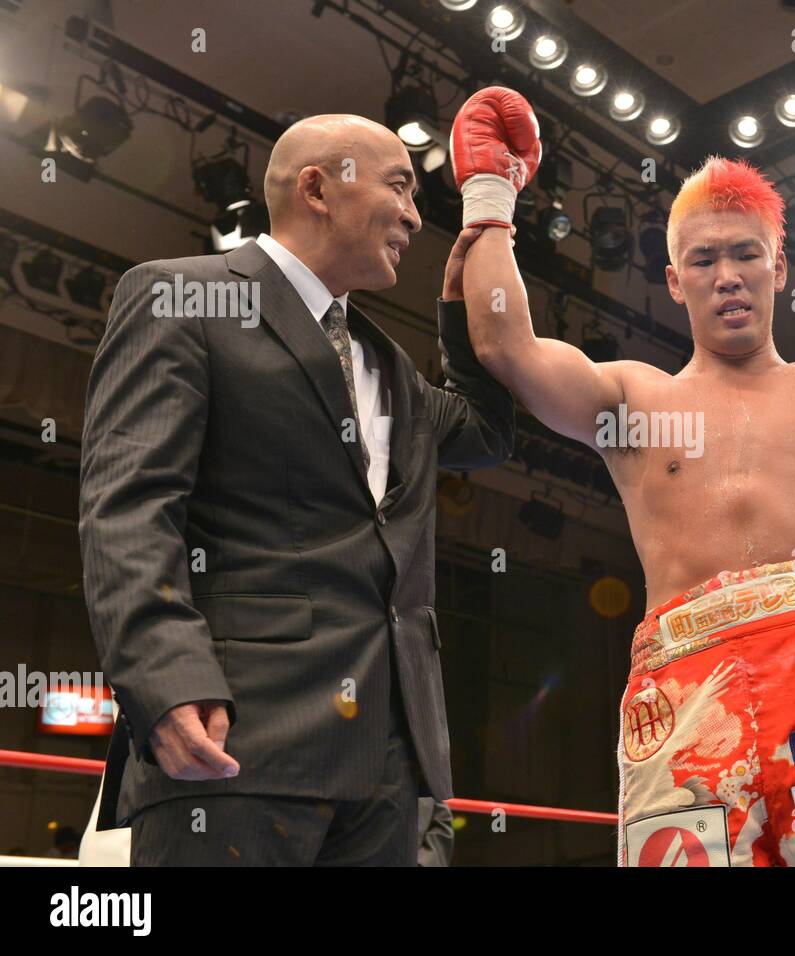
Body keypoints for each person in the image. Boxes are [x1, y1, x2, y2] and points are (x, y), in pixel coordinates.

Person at [451, 79, 795, 866]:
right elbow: (506, 347)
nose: (726, 275)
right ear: (676, 282)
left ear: (779, 266)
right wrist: (490, 191)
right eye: (703, 259)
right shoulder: (635, 402)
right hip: (683, 685)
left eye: (745, 254)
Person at [79, 114, 515, 865]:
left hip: (393, 761)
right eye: (401, 186)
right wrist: (164, 677)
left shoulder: (390, 368)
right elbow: (129, 506)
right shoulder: (183, 295)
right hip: (241, 736)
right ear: (319, 187)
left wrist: (467, 287)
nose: (415, 214)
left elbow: (485, 431)